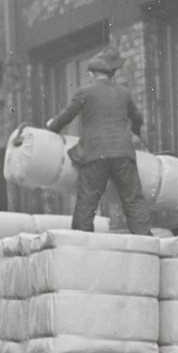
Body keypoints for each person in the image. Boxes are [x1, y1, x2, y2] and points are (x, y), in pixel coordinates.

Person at [46, 56, 150, 235]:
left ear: (92, 74)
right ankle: (146, 243)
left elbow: (67, 115)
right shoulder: (124, 93)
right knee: (133, 201)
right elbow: (138, 119)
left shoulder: (84, 92)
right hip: (123, 154)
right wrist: (136, 131)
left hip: (95, 155)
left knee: (87, 202)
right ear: (111, 75)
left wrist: (52, 126)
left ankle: (83, 246)